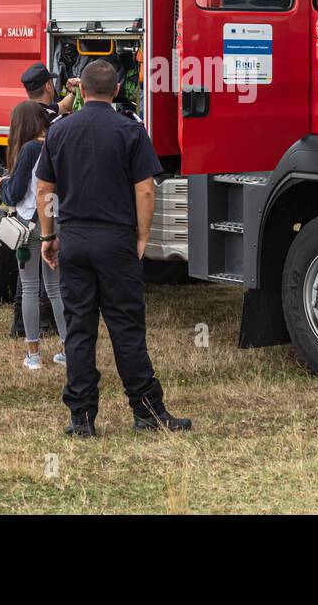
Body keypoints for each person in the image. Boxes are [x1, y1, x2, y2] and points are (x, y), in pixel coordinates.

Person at [35, 59, 191, 436]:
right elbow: (146, 189)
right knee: (126, 328)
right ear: (117, 90)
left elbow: (44, 189)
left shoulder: (59, 131)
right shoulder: (130, 131)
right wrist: (141, 236)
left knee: (79, 329)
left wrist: (48, 236)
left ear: (82, 91)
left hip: (73, 238)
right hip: (117, 239)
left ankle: (82, 419)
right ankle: (147, 412)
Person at [0, 101, 68, 370]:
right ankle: (68, 348)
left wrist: (1, 189)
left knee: (31, 289)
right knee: (56, 289)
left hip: (29, 225)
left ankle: (33, 354)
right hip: (54, 223)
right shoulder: (53, 145)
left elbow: (17, 191)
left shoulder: (29, 148)